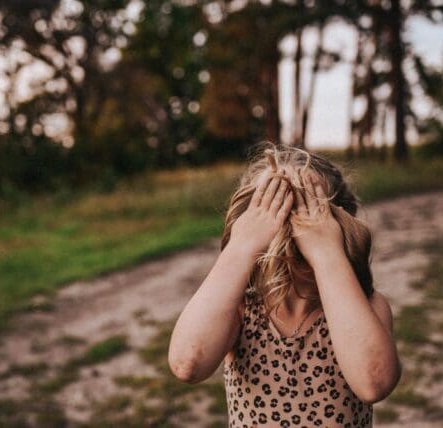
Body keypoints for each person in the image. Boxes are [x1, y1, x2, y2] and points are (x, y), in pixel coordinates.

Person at [168, 142, 402, 427]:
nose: (288, 237)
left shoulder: (365, 307)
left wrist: (326, 253)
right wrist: (241, 247)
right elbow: (187, 363)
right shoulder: (241, 310)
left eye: (306, 212)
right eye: (271, 210)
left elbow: (374, 382)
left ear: (341, 225)